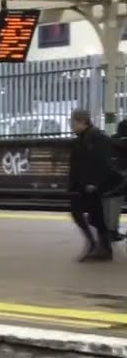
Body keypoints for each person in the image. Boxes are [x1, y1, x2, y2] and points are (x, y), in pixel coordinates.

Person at [67, 109, 121, 262]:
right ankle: (96, 245)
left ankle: (101, 248)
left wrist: (94, 183)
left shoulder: (97, 138)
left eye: (73, 122)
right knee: (82, 213)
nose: (71, 125)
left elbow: (103, 163)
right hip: (81, 185)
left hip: (92, 185)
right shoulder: (81, 139)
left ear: (82, 121)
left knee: (96, 217)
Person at [108, 118, 127, 240]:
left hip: (114, 178)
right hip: (123, 177)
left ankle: (112, 231)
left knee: (114, 204)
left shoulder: (112, 140)